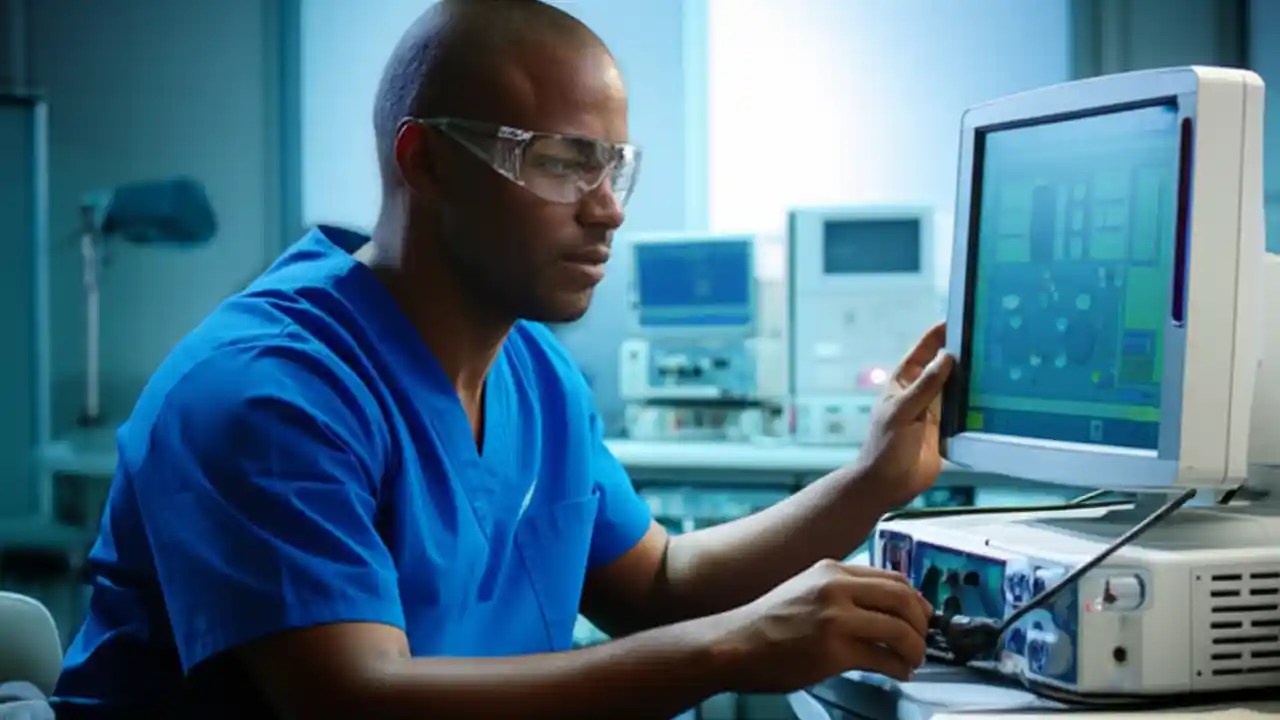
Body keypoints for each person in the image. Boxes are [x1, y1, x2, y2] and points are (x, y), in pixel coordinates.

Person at [51, 1, 956, 718]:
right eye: (564, 164)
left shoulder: (533, 370)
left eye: (615, 168)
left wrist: (873, 480)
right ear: (426, 162)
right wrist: (729, 651)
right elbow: (357, 700)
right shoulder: (266, 393)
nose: (607, 211)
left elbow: (656, 584)